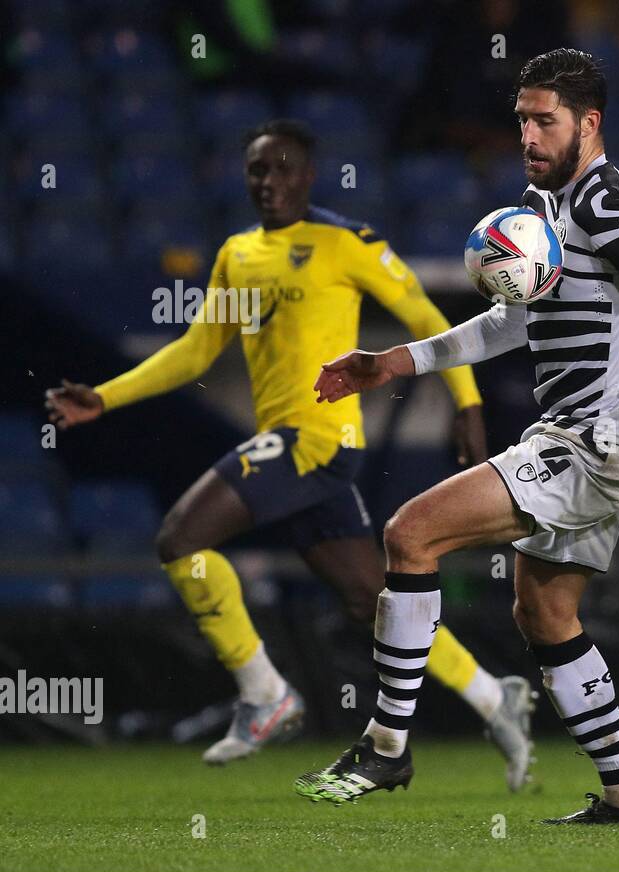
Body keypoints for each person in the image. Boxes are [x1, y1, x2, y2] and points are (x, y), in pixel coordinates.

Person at [293, 49, 619, 822]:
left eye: (547, 120)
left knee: (410, 535)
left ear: (590, 123)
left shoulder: (603, 202)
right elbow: (513, 323)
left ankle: (385, 745)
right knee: (543, 612)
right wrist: (393, 362)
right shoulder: (544, 205)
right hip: (582, 433)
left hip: (600, 439)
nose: (530, 136)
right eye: (522, 120)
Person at [45, 120, 536, 791]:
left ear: (309, 176)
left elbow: (423, 317)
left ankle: (263, 691)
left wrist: (468, 402)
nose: (269, 183)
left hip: (318, 439)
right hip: (299, 454)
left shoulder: (347, 243)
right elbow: (194, 351)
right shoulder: (236, 254)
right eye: (257, 172)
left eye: (282, 170)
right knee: (374, 600)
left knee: (179, 538)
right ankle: (491, 696)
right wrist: (104, 397)